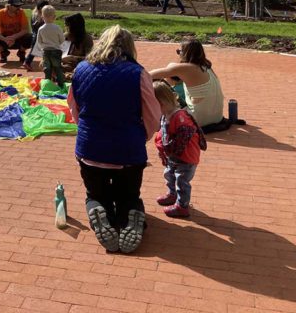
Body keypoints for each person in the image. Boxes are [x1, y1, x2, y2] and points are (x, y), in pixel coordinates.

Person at [68, 25, 160, 254]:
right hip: (128, 151)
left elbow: (74, 108)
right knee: (129, 196)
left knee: (95, 194)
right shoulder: (138, 73)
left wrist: (86, 130)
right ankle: (130, 214)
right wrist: (142, 137)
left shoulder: (81, 70)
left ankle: (100, 210)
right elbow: (153, 115)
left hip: (90, 149)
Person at [152, 81, 206, 218]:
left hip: (185, 158)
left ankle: (182, 206)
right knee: (169, 175)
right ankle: (172, 194)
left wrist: (169, 149)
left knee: (182, 182)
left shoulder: (179, 117)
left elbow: (184, 135)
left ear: (161, 104)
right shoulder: (166, 115)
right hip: (174, 157)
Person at [149, 39, 225, 128]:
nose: (178, 54)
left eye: (179, 51)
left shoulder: (186, 68)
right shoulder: (206, 66)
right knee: (170, 79)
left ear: (186, 53)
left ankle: (153, 114)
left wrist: (171, 66)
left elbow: (150, 74)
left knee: (158, 85)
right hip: (216, 118)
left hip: (197, 119)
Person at [0, 0, 32, 64]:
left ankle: (21, 52)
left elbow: (25, 30)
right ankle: (3, 52)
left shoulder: (21, 12)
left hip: (17, 39)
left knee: (30, 37)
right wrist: (5, 39)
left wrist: (14, 37)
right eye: (16, 6)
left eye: (19, 5)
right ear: (9, 6)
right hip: (4, 39)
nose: (18, 7)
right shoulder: (1, 13)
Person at [36, 5, 65, 86]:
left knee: (47, 69)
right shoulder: (57, 28)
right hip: (56, 50)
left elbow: (39, 41)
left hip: (46, 51)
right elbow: (62, 40)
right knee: (58, 68)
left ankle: (47, 84)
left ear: (42, 17)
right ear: (54, 17)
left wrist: (43, 46)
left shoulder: (41, 29)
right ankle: (61, 85)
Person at [23, 0, 49, 72]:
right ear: (41, 8)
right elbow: (37, 25)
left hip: (36, 34)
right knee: (35, 51)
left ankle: (27, 62)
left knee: (34, 50)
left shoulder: (35, 13)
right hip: (38, 35)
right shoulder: (39, 15)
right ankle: (27, 62)